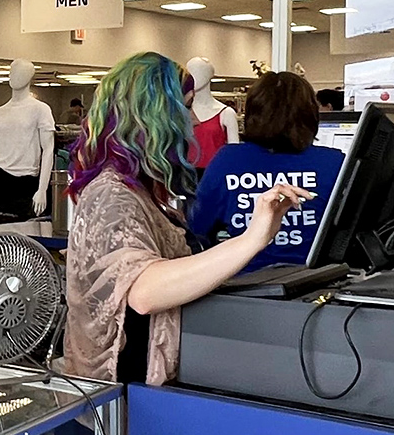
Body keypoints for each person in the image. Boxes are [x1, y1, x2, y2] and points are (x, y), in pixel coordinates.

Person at [63, 52, 310, 386]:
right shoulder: (111, 193)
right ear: (156, 115)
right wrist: (253, 238)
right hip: (118, 393)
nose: (193, 120)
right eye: (186, 106)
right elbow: (144, 291)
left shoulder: (140, 190)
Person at [190, 72, 344, 273]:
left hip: (242, 283)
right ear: (311, 115)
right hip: (315, 280)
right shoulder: (333, 162)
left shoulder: (228, 160)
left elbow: (197, 226)